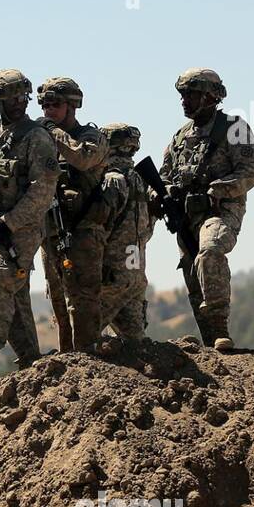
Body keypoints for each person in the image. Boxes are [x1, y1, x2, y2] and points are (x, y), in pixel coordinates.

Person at [0, 69, 59, 384]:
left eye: (21, 96)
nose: (17, 102)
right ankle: (32, 362)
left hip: (24, 228)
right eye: (9, 97)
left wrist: (9, 222)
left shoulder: (37, 137)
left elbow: (42, 190)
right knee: (14, 296)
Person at [158, 68, 254, 351]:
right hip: (185, 218)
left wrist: (215, 191)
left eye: (190, 94)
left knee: (211, 251)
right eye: (182, 95)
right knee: (193, 279)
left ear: (211, 96)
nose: (184, 101)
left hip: (219, 212)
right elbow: (163, 176)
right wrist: (165, 192)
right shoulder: (179, 138)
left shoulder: (233, 128)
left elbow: (251, 172)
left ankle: (220, 330)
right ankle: (213, 349)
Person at [36, 76, 108, 353]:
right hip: (51, 229)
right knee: (57, 297)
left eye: (54, 104)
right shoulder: (41, 141)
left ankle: (87, 355)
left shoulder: (91, 137)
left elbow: (83, 158)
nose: (48, 111)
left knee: (83, 296)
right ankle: (68, 358)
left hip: (84, 229)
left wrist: (52, 131)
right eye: (44, 105)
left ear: (72, 106)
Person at [96, 123, 154, 355]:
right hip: (135, 272)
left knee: (80, 343)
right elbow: (148, 227)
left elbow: (97, 227)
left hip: (110, 276)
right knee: (135, 345)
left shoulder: (111, 181)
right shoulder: (144, 181)